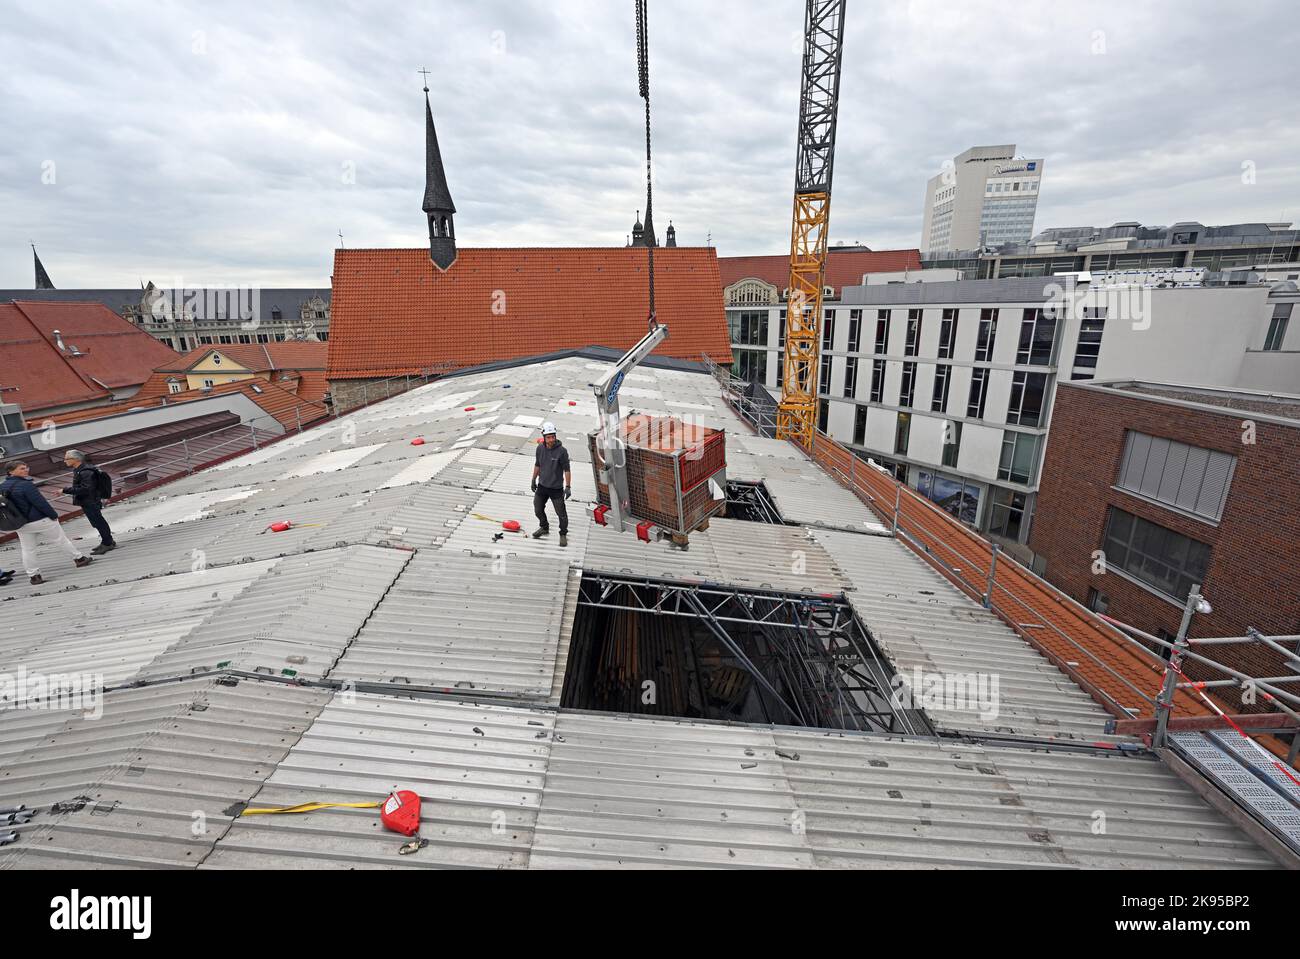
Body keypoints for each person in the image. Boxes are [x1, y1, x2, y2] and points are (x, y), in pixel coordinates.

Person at [0, 461, 93, 585]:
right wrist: (53, 515)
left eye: (26, 467)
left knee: (28, 550)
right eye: (22, 468)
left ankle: (34, 576)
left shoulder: (2, 486)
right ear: (11, 471)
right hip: (40, 520)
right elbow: (40, 503)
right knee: (61, 540)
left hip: (21, 523)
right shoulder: (26, 485)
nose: (26, 470)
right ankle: (79, 559)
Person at [62, 449, 116, 554]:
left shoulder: (85, 472)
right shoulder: (80, 469)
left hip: (90, 501)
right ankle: (107, 541)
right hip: (88, 500)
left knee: (98, 522)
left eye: (67, 459)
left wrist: (64, 490)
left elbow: (85, 489)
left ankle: (107, 543)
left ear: (76, 459)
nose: (65, 461)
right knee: (97, 522)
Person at [530, 422, 572, 547]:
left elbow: (567, 470)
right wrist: (533, 479)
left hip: (556, 489)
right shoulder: (540, 448)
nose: (551, 439)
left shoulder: (562, 451)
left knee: (561, 514)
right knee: (537, 509)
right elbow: (538, 464)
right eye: (548, 437)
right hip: (542, 486)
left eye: (553, 436)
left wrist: (568, 487)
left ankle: (563, 534)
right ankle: (544, 527)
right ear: (543, 436)